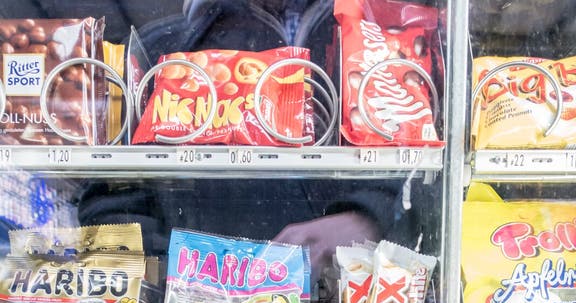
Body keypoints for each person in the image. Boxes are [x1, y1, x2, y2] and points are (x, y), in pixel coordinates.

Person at [79, 0, 416, 283]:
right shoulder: (161, 51)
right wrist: (184, 281)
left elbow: (443, 182)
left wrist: (367, 219)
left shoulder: (388, 44)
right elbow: (114, 205)